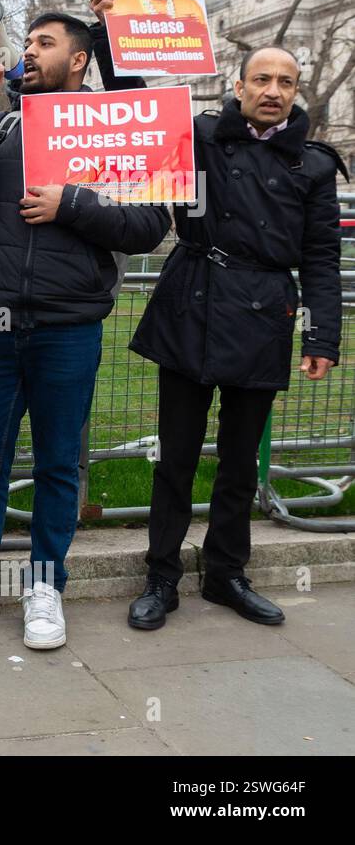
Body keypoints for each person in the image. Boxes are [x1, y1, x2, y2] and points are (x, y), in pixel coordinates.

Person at [0, 10, 171, 649]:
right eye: (26, 41)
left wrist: (71, 204)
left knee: (58, 463)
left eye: (44, 43)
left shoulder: (112, 130)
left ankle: (45, 586)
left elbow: (148, 226)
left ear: (78, 60)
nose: (29, 51)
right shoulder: (2, 125)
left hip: (69, 326)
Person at [125, 43, 345, 630]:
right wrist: (106, 31)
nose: (274, 91)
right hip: (192, 304)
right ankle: (161, 577)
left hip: (265, 313)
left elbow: (322, 258)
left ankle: (226, 573)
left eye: (287, 83)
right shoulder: (198, 136)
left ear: (296, 92)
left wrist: (322, 338)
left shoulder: (315, 166)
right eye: (263, 79)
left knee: (240, 462)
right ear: (239, 84)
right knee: (175, 458)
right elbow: (132, 113)